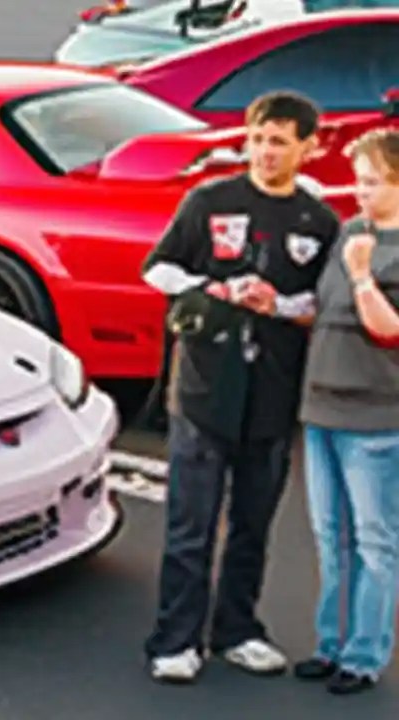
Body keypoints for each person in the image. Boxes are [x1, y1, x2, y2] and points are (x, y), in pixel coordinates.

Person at [139, 90, 341, 683]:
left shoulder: (317, 220)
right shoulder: (209, 199)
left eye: (279, 141)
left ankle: (238, 630)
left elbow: (323, 305)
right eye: (257, 139)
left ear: (308, 146)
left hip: (273, 394)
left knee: (254, 524)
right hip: (205, 389)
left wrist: (277, 303)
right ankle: (175, 640)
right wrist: (216, 288)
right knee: (189, 526)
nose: (265, 152)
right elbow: (159, 268)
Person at [294, 128, 399, 695]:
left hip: (377, 418)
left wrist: (363, 275)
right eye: (359, 180)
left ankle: (363, 655)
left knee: (377, 542)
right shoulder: (349, 232)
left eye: (375, 182)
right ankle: (329, 645)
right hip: (322, 410)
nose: (361, 192)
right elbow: (324, 309)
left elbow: (389, 330)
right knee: (331, 535)